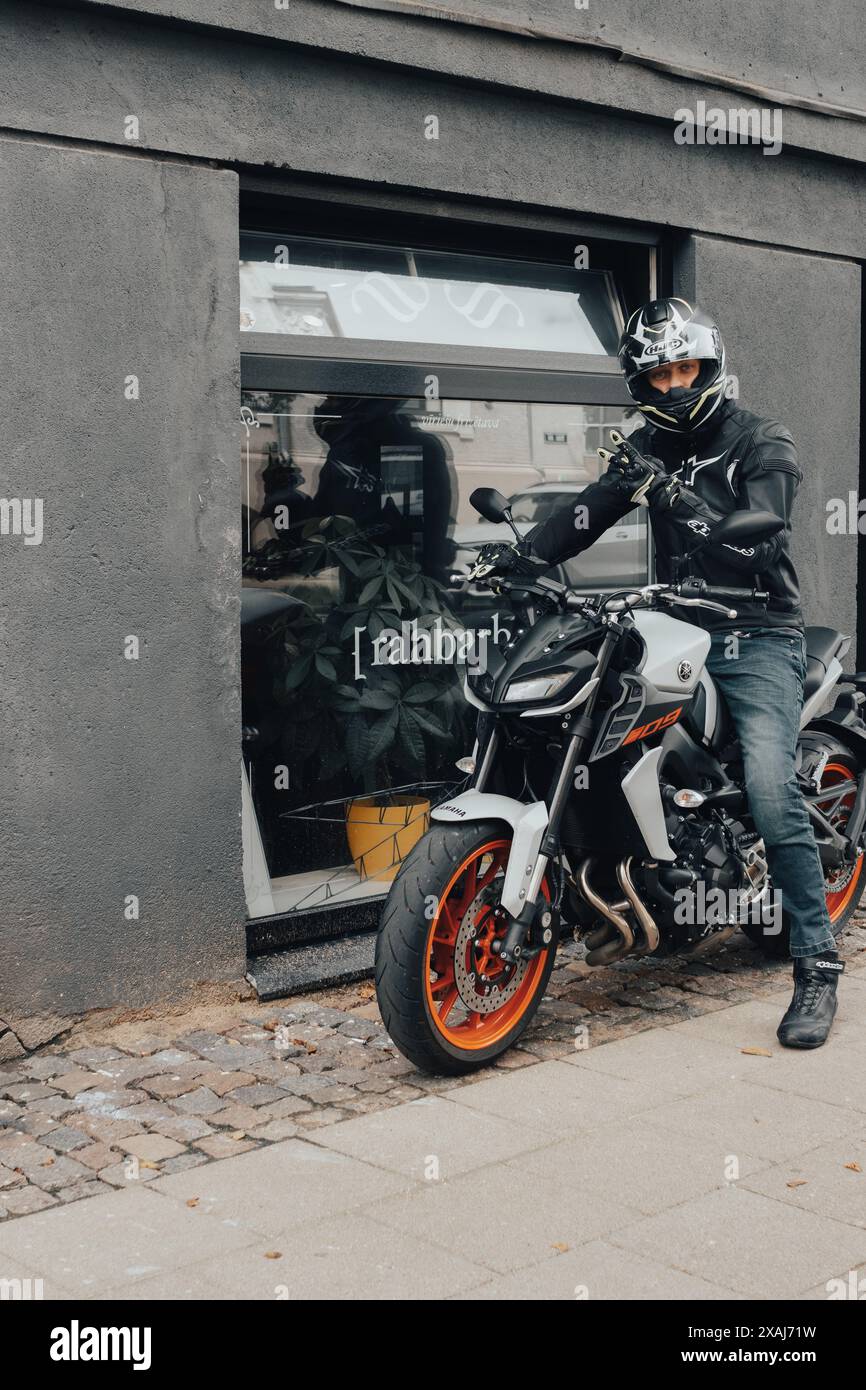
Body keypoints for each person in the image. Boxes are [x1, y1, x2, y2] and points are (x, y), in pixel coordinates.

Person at [491, 297, 844, 1047]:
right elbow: (589, 513)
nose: (674, 385)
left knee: (773, 790)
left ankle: (816, 965)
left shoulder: (760, 438)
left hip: (756, 633)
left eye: (685, 367)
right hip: (674, 621)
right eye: (657, 374)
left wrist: (674, 493)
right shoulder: (646, 447)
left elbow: (758, 531)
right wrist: (521, 558)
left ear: (709, 366)